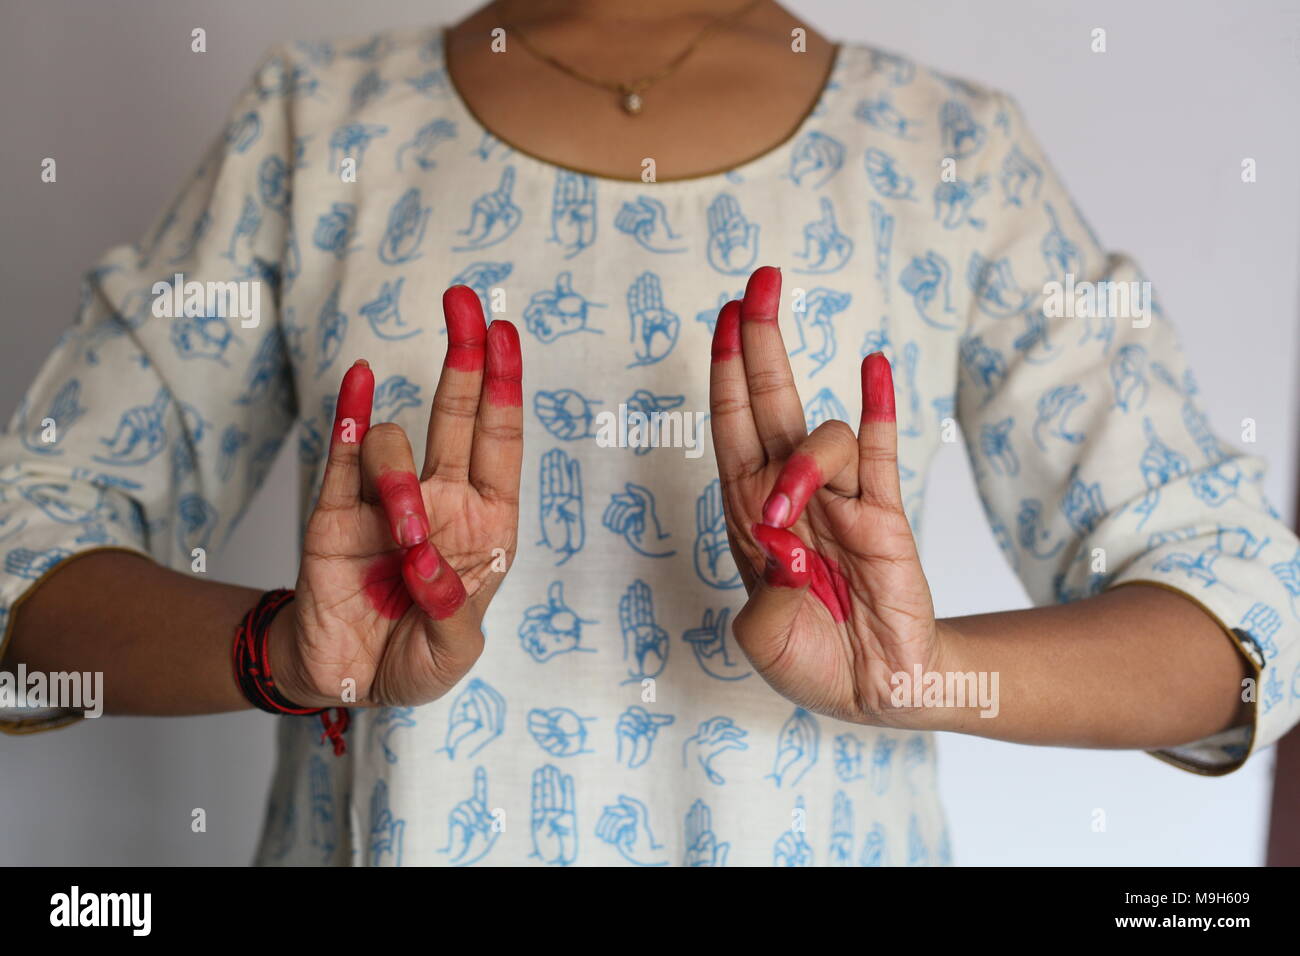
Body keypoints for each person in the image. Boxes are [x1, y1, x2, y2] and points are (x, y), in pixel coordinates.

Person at [1, 0, 1296, 867]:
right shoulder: (316, 130)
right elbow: (24, 570)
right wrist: (282, 650)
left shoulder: (948, 153)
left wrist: (925, 674)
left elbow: (1250, 610)